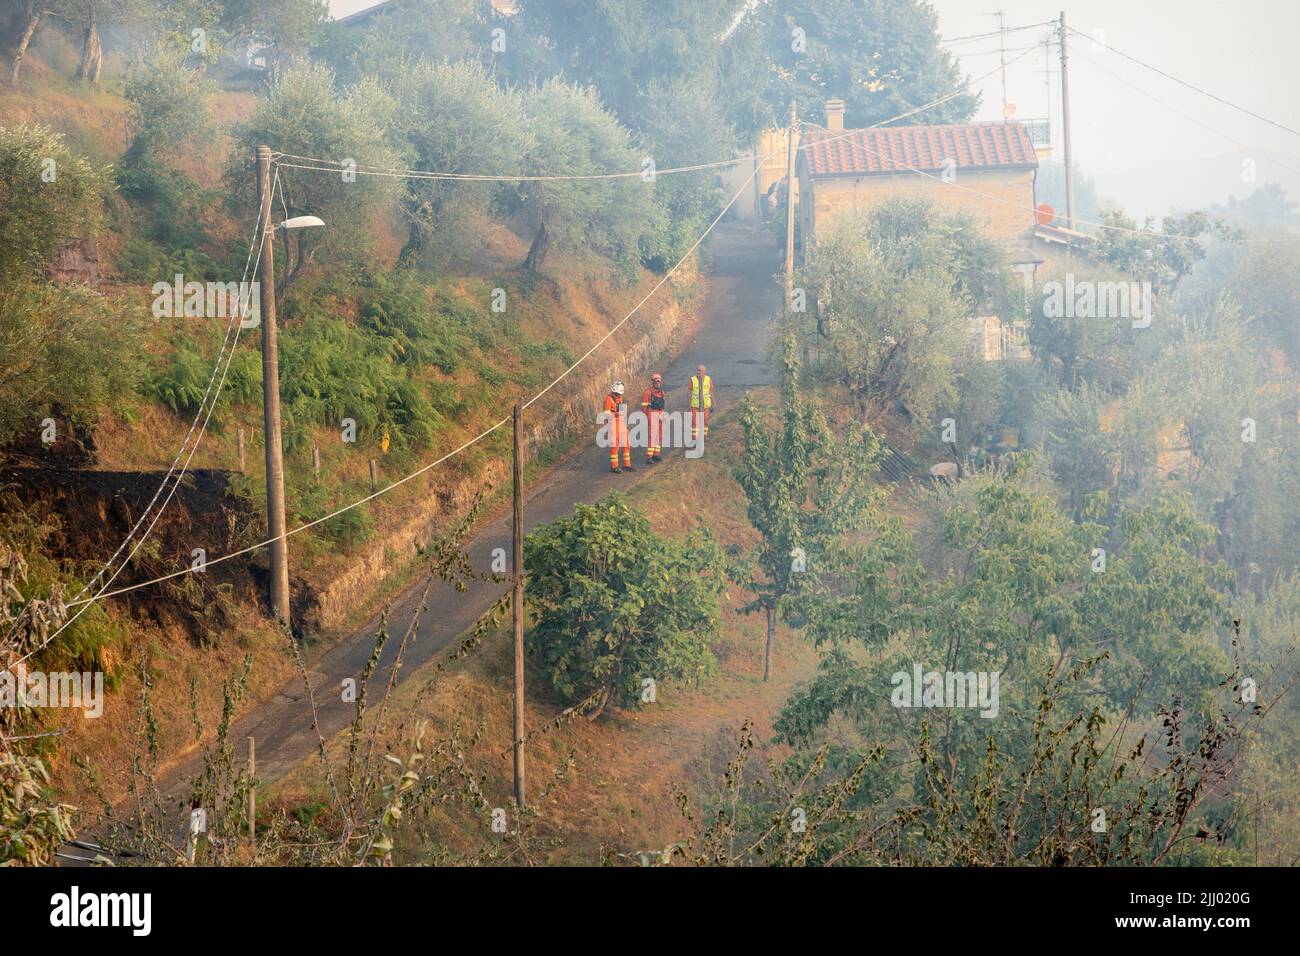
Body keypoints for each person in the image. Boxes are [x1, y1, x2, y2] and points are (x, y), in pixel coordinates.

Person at [601, 381, 633, 473]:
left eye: (619, 394)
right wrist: (616, 413)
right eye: (617, 394)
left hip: (621, 424)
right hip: (613, 424)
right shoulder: (608, 399)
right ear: (614, 392)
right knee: (614, 446)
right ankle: (614, 467)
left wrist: (626, 425)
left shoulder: (620, 398)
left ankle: (627, 465)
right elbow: (606, 414)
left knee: (626, 445)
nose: (619, 395)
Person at [640, 372, 666, 463]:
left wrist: (663, 414)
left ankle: (656, 454)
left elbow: (662, 405)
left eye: (659, 381)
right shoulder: (648, 393)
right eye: (656, 381)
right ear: (653, 382)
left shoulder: (662, 392)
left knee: (660, 435)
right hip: (652, 414)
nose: (658, 383)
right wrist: (648, 416)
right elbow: (643, 407)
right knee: (652, 436)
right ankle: (649, 457)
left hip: (660, 414)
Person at [689, 364, 713, 443]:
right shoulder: (692, 380)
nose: (697, 372)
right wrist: (689, 405)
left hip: (706, 406)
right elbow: (689, 393)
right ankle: (694, 439)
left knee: (705, 421)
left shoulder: (708, 379)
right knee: (695, 423)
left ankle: (704, 437)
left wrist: (713, 402)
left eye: (699, 370)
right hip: (695, 406)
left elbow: (710, 391)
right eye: (697, 370)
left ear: (704, 372)